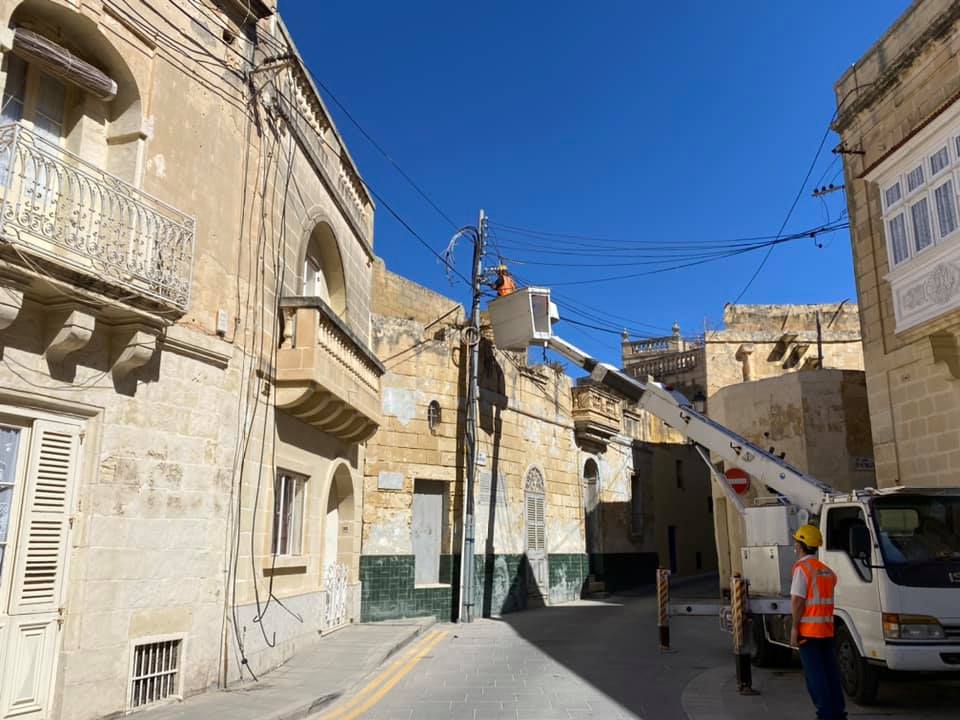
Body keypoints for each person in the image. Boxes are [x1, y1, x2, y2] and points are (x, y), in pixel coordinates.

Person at [790, 524, 847, 720]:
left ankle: (825, 715)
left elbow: (798, 601)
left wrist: (794, 629)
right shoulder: (827, 571)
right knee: (831, 674)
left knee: (815, 678)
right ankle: (838, 713)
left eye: (797, 542)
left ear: (801, 545)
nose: (795, 546)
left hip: (808, 632)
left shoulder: (802, 569)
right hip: (826, 630)